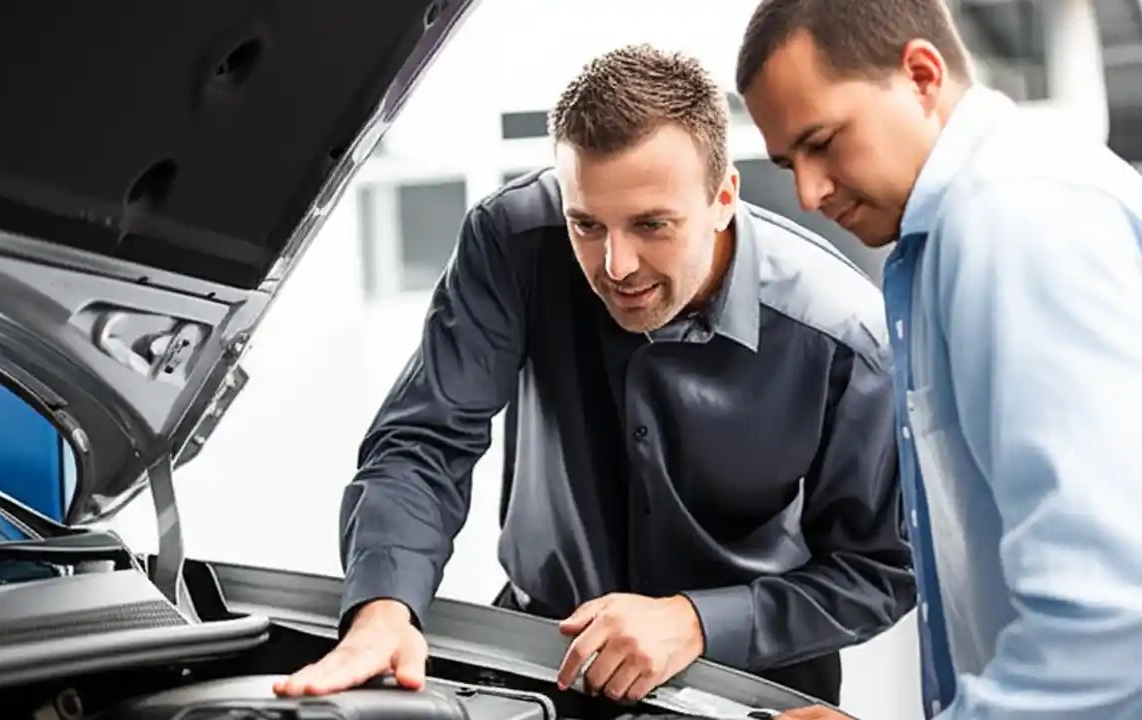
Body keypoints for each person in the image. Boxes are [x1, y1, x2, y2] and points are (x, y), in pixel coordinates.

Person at [274, 44, 916, 706]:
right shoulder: (511, 242)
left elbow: (879, 571)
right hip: (543, 657)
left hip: (747, 685)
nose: (616, 265)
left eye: (651, 225)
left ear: (723, 197)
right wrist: (384, 608)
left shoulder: (846, 336)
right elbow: (426, 442)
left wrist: (697, 621)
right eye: (586, 224)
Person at [735, 0, 1142, 718]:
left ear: (921, 75)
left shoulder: (1013, 220)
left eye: (824, 141)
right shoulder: (948, 237)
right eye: (789, 162)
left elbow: (1109, 623)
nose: (808, 191)